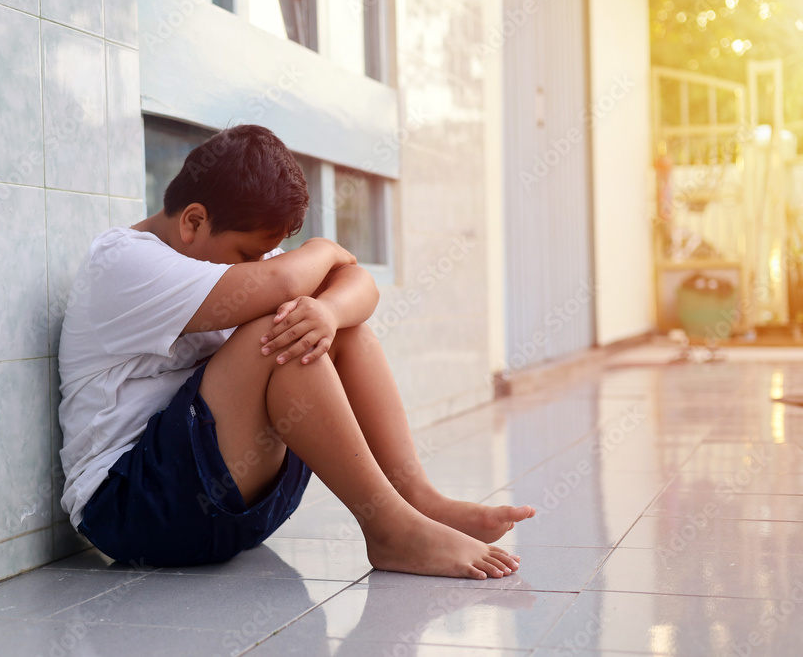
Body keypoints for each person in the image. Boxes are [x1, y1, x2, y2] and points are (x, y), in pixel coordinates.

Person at [57, 124, 534, 579]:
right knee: (281, 330)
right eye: (248, 255)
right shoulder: (123, 262)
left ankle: (416, 500)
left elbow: (361, 287)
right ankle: (391, 529)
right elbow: (285, 280)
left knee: (333, 326)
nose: (258, 264)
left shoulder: (224, 249)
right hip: (133, 509)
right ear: (194, 221)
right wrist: (326, 249)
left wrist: (328, 312)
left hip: (234, 503)